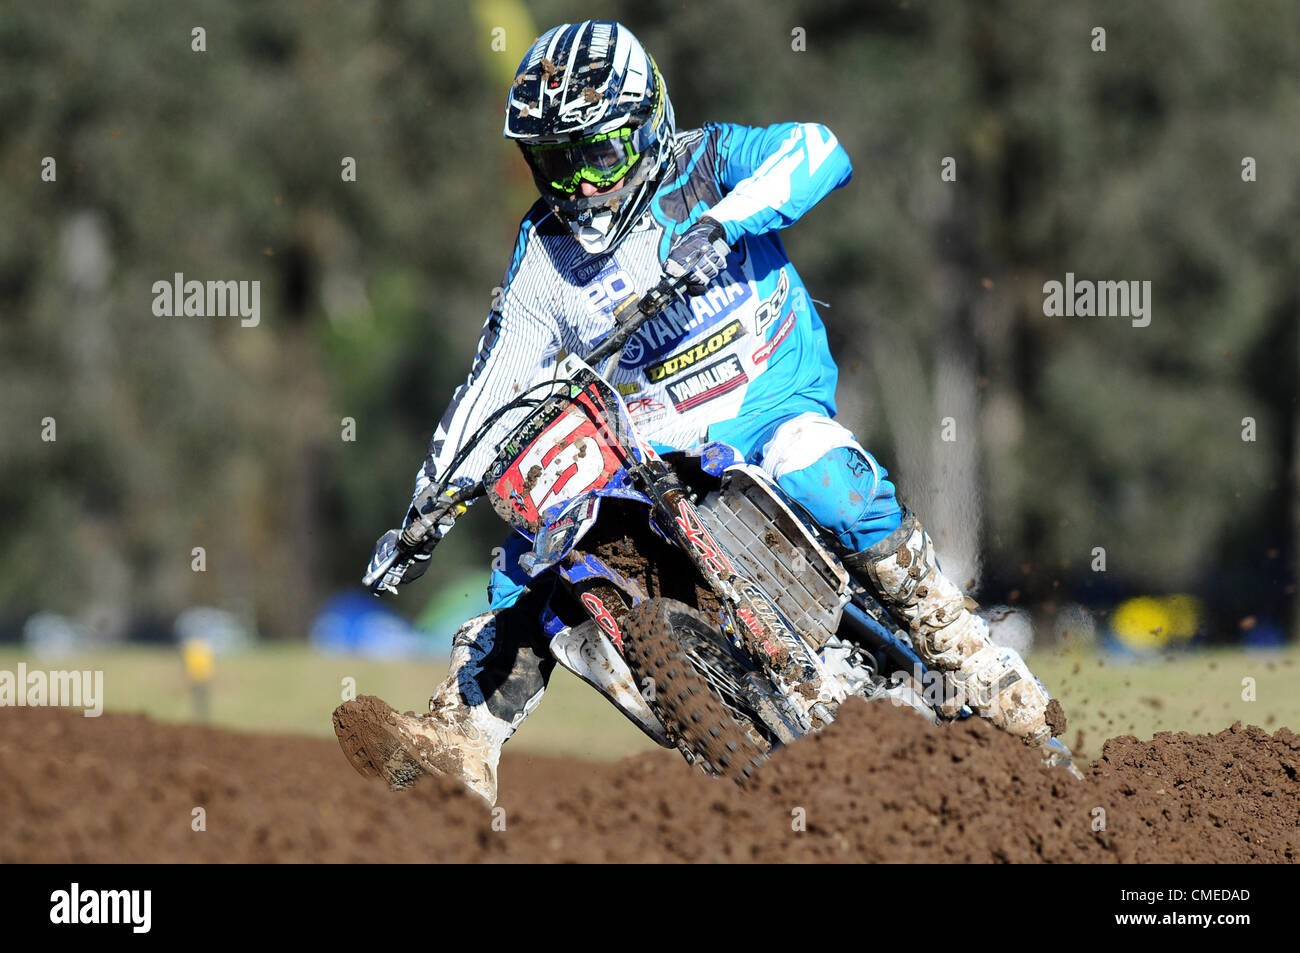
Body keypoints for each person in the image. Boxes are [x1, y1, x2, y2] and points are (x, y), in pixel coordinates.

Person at [338, 20, 1060, 805]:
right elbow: (495, 379)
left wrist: (722, 222)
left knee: (825, 475)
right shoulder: (543, 253)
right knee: (530, 560)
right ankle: (459, 739)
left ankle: (964, 648)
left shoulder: (703, 162)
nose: (579, 185)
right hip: (646, 444)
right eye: (555, 163)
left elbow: (819, 151)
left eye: (597, 155)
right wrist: (428, 506)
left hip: (768, 402)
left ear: (647, 125)